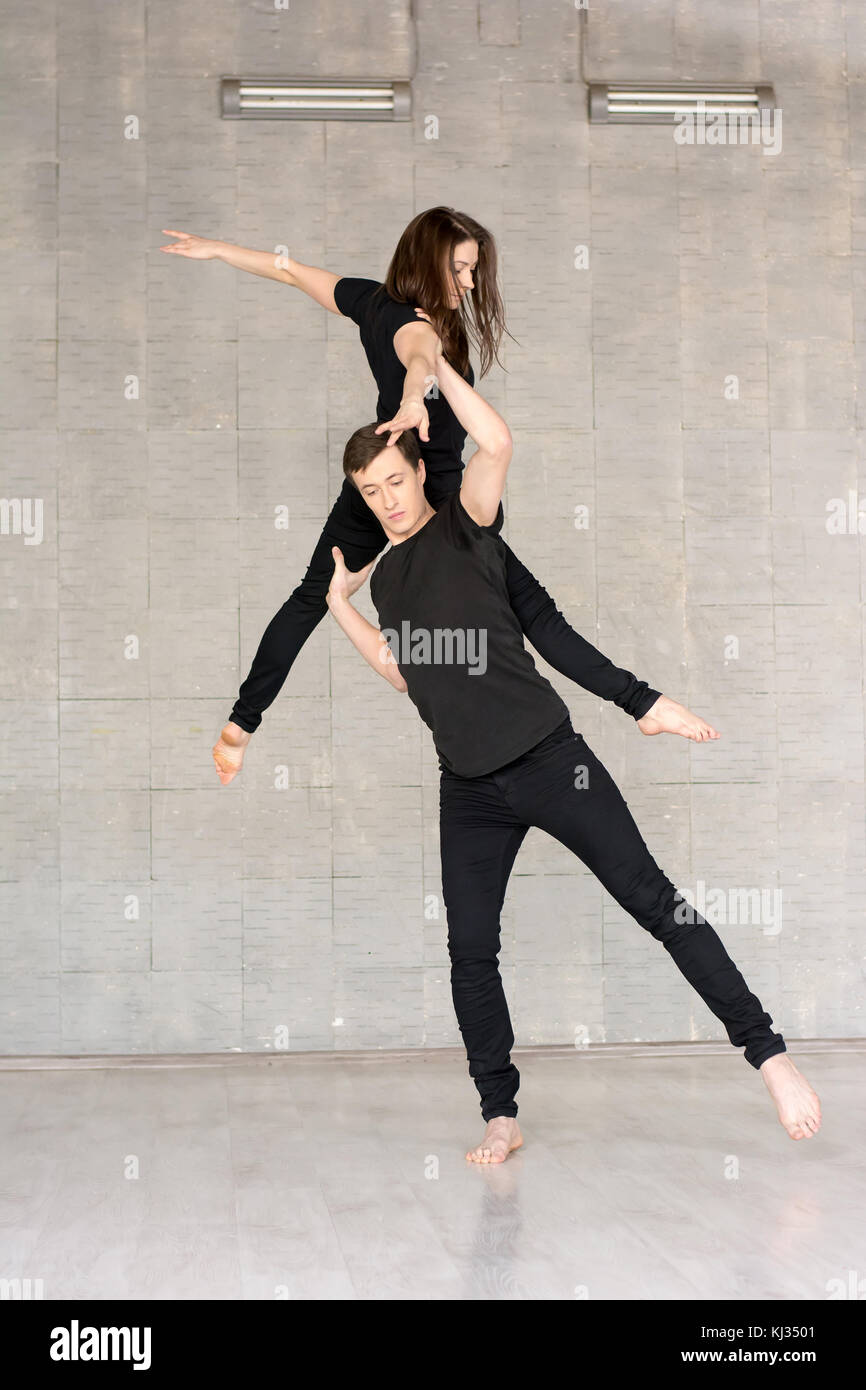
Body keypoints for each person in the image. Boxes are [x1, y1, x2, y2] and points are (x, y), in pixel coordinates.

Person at [324, 339, 823, 1165]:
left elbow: (499, 445)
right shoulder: (387, 582)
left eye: (395, 483)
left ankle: (770, 1057)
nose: (387, 503)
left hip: (555, 762)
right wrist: (343, 602)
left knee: (657, 903)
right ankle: (500, 1112)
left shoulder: (466, 526)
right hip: (470, 791)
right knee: (470, 950)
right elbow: (402, 674)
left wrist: (435, 376)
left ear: (419, 471)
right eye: (371, 494)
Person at [159, 208, 677, 783]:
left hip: (379, 481)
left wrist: (220, 250)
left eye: (474, 271)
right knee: (534, 613)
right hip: (442, 505)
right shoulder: (420, 326)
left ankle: (241, 724)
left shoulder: (371, 300)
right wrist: (414, 396)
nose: (471, 283)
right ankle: (639, 706)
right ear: (430, 262)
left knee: (313, 596)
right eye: (461, 268)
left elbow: (291, 272)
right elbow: (420, 357)